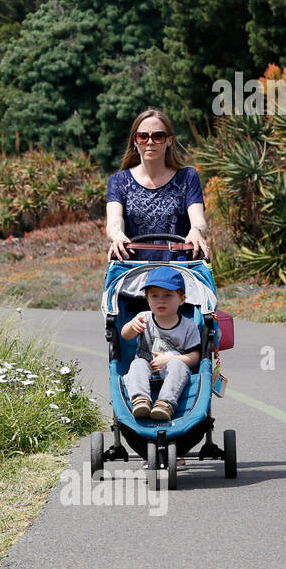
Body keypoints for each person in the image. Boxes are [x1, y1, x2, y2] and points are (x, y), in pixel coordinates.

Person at [106, 108, 211, 262]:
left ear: (169, 141)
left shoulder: (188, 177)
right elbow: (114, 221)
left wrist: (195, 231)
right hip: (133, 271)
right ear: (135, 141)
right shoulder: (118, 181)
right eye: (143, 136)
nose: (150, 142)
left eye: (158, 136)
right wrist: (117, 234)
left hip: (180, 270)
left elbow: (198, 220)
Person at [120, 267, 200, 425]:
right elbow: (125, 335)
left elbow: (195, 356)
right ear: (147, 299)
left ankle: (165, 404)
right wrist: (131, 326)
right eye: (154, 296)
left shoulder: (188, 327)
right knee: (137, 363)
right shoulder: (143, 318)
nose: (160, 300)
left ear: (182, 299)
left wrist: (171, 359)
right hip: (146, 370)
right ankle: (141, 400)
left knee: (177, 364)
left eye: (168, 296)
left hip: (174, 373)